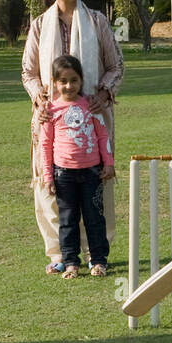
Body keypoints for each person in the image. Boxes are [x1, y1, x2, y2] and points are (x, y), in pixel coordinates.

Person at [22, 0, 124, 273]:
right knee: (50, 184)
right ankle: (60, 255)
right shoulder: (39, 25)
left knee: (95, 189)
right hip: (51, 120)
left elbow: (116, 66)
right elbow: (28, 71)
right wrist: (39, 95)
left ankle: (97, 254)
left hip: (92, 119)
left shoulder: (97, 21)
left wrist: (104, 93)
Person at [40, 54, 115, 279]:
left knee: (94, 218)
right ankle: (71, 261)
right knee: (68, 220)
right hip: (63, 174)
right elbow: (45, 144)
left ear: (81, 81)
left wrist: (108, 163)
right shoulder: (50, 110)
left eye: (74, 80)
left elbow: (103, 136)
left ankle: (99, 260)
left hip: (92, 172)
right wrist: (48, 176)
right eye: (63, 81)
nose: (68, 86)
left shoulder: (91, 106)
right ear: (54, 83)